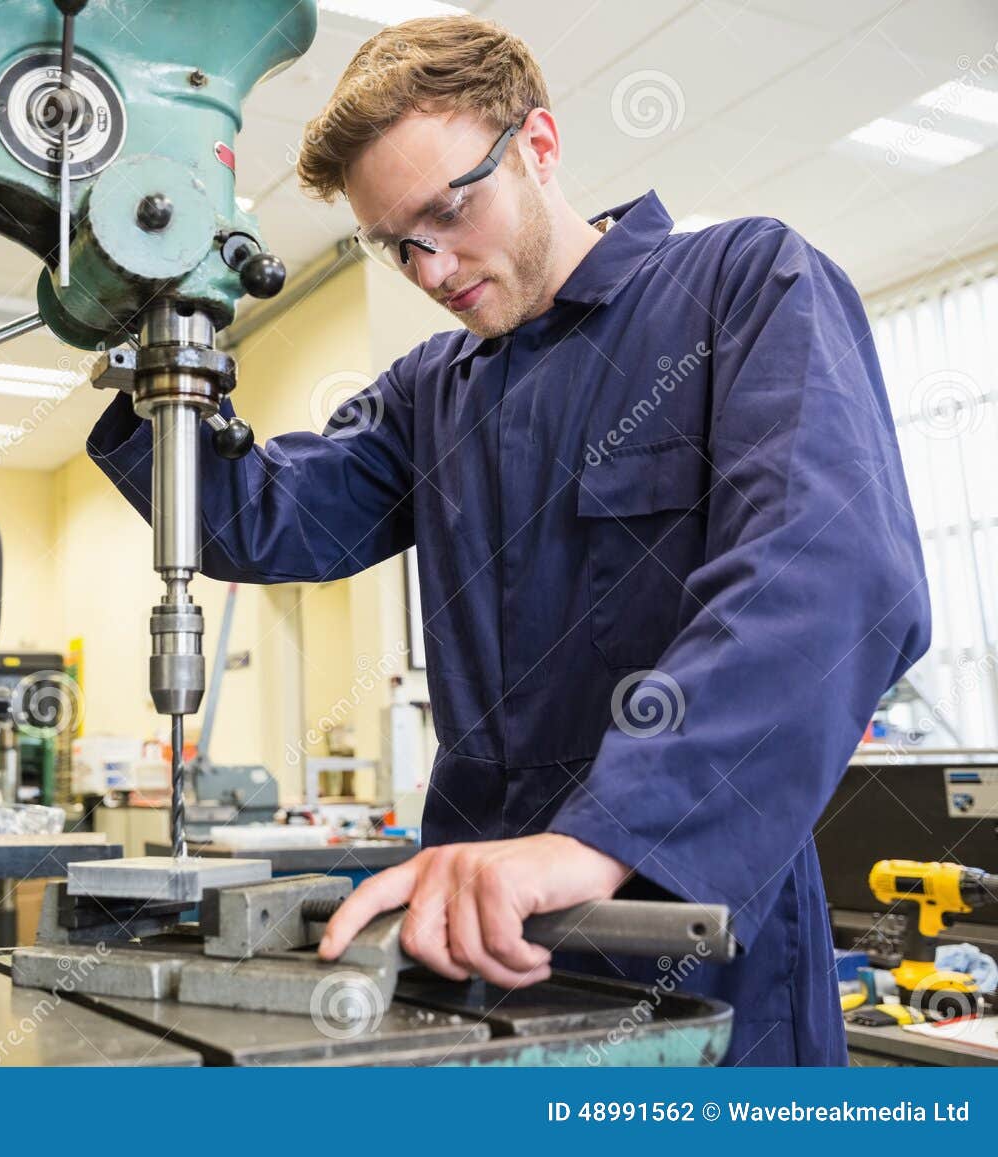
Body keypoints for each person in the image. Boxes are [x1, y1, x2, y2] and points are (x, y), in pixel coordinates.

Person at [85, 14, 929, 1065]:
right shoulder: (431, 393)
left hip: (698, 931)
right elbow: (259, 517)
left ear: (537, 144)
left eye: (448, 210)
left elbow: (831, 571)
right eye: (397, 243)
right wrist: (144, 349)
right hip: (472, 937)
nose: (431, 268)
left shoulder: (740, 287)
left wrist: (600, 833)